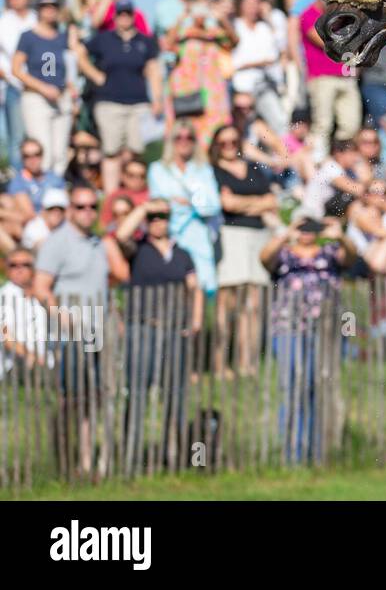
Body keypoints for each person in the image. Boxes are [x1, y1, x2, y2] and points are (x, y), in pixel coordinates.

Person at [104, 199, 202, 460]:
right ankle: (131, 455)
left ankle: (175, 456)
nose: (159, 222)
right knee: (137, 392)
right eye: (154, 218)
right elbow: (121, 234)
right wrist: (144, 209)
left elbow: (195, 287)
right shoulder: (138, 250)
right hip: (142, 328)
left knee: (175, 394)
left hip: (173, 330)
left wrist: (195, 320)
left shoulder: (182, 253)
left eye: (163, 217)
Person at [259, 214, 355, 463]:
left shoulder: (330, 252)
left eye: (310, 227)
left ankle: (315, 452)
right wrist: (286, 232)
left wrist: (341, 236)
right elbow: (264, 258)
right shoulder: (285, 254)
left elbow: (352, 257)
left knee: (315, 388)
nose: (306, 231)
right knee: (292, 388)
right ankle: (292, 452)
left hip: (324, 331)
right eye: (302, 226)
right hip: (288, 328)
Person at [210, 123, 277, 374]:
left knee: (253, 304)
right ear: (217, 146)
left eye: (233, 142)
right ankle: (220, 364)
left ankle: (246, 362)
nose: (229, 147)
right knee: (227, 301)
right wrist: (256, 203)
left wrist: (243, 203)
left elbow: (272, 201)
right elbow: (225, 204)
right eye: (223, 143)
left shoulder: (254, 169)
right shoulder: (214, 172)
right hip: (230, 235)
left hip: (257, 235)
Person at [79, 0, 163, 194]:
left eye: (127, 13)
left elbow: (153, 70)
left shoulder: (145, 41)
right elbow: (79, 53)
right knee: (111, 151)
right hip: (109, 102)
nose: (124, 17)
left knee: (135, 151)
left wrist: (157, 98)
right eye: (120, 14)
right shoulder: (103, 39)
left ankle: (134, 194)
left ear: (134, 15)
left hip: (139, 103)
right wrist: (94, 75)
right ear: (115, 16)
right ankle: (111, 196)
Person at [148, 121, 221, 294]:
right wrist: (194, 204)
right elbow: (160, 204)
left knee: (203, 288)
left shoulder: (203, 169)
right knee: (172, 292)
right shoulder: (157, 169)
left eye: (189, 137)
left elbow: (213, 206)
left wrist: (188, 203)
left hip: (198, 238)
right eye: (178, 137)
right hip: (170, 236)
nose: (184, 141)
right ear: (170, 141)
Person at [12, 0, 78, 177]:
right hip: (36, 99)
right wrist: (42, 87)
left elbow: (71, 68)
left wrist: (72, 98)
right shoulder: (28, 36)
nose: (50, 10)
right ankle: (41, 194)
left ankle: (55, 191)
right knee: (44, 150)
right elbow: (16, 70)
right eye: (45, 6)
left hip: (61, 97)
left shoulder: (63, 37)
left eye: (53, 6)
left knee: (60, 153)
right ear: (38, 8)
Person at [164, 0, 235, 154]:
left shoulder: (213, 32)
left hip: (213, 94)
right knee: (187, 133)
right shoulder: (184, 32)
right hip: (187, 92)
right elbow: (168, 44)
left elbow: (233, 41)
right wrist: (182, 17)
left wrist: (221, 19)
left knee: (215, 132)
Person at [300, 0, 361, 157]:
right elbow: (327, 43)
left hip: (346, 75)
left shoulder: (343, 17)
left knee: (351, 125)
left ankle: (340, 159)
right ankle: (318, 163)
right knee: (323, 124)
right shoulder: (309, 14)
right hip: (322, 77)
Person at [32, 183, 108, 304]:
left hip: (99, 321)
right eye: (80, 207)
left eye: (93, 206)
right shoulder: (56, 242)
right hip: (68, 321)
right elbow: (40, 288)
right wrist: (62, 316)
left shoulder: (99, 242)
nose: (88, 211)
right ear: (70, 209)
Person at [230, 0, 286, 134]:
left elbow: (275, 53)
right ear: (241, 5)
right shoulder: (234, 26)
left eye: (256, 3)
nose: (253, 7)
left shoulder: (264, 27)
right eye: (249, 3)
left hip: (265, 83)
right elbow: (234, 61)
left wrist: (269, 19)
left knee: (279, 123)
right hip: (241, 87)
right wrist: (256, 62)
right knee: (246, 131)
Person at [0, 0, 36, 167]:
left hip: (39, 86)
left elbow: (49, 54)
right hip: (14, 86)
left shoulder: (36, 19)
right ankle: (18, 181)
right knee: (17, 137)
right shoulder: (3, 22)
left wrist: (50, 78)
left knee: (38, 135)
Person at [0, 247, 49, 377]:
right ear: (7, 268)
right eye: (13, 265)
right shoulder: (5, 295)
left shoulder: (39, 294)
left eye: (25, 265)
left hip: (45, 361)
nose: (19, 269)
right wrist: (29, 356)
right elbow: (4, 334)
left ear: (33, 268)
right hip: (15, 365)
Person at [8, 138, 65, 224]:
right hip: (36, 225)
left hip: (60, 222)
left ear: (42, 155)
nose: (32, 159)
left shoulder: (54, 177)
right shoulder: (18, 182)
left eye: (36, 154)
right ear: (22, 158)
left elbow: (67, 206)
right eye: (27, 156)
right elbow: (30, 215)